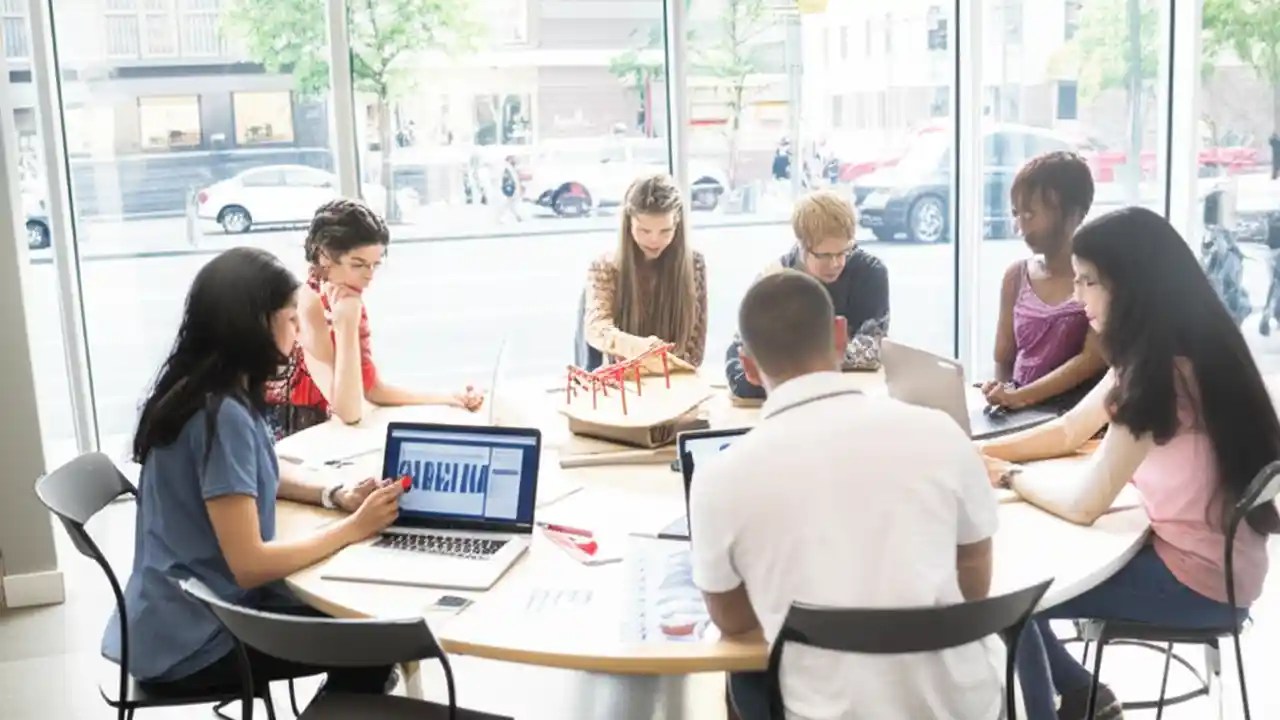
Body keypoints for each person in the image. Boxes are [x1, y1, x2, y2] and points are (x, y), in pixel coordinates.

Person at [980, 207, 1280, 720]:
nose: (1076, 298)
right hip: (1224, 568)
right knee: (1025, 588)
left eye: (1088, 282)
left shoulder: (1159, 377)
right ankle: (1085, 697)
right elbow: (1069, 430)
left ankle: (1066, 704)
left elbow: (1084, 504)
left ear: (1133, 284)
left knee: (1011, 606)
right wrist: (978, 451)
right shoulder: (1184, 348)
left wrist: (1007, 475)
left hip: (1197, 585)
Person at [692, 269, 1001, 720]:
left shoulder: (719, 478)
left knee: (741, 683)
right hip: (965, 706)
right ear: (840, 333)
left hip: (824, 711)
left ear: (750, 366)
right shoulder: (938, 430)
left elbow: (732, 620)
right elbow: (975, 570)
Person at [103, 247, 405, 694]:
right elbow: (250, 565)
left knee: (365, 632)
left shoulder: (196, 391)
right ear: (258, 324)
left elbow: (248, 475)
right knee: (375, 641)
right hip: (196, 642)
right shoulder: (222, 416)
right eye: (290, 320)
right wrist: (354, 528)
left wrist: (333, 495)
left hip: (164, 620)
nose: (299, 332)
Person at [266, 199, 482, 438]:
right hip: (289, 437)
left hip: (324, 432)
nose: (368, 277)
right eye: (358, 265)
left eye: (374, 265)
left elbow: (373, 388)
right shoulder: (308, 303)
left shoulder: (346, 299)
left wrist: (449, 398)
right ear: (325, 256)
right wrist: (346, 326)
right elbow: (348, 412)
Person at [725, 189, 889, 399]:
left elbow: (872, 349)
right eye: (825, 255)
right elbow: (741, 358)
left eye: (843, 252)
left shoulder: (870, 273)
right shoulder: (776, 279)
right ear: (801, 245)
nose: (837, 263)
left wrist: (789, 363)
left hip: (855, 395)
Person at [980, 151, 1106, 411]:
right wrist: (1001, 396)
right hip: (1019, 413)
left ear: (1074, 213)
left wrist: (1021, 397)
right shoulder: (1016, 276)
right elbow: (1004, 358)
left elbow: (1092, 359)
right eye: (1017, 214)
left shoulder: (1102, 277)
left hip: (1075, 420)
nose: (1021, 227)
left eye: (1031, 214)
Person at [581, 173, 707, 368]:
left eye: (666, 231)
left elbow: (695, 350)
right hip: (624, 382)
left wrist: (667, 367)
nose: (654, 240)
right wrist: (639, 348)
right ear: (629, 224)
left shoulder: (694, 265)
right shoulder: (605, 267)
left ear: (677, 226)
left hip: (676, 380)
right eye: (644, 231)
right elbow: (596, 328)